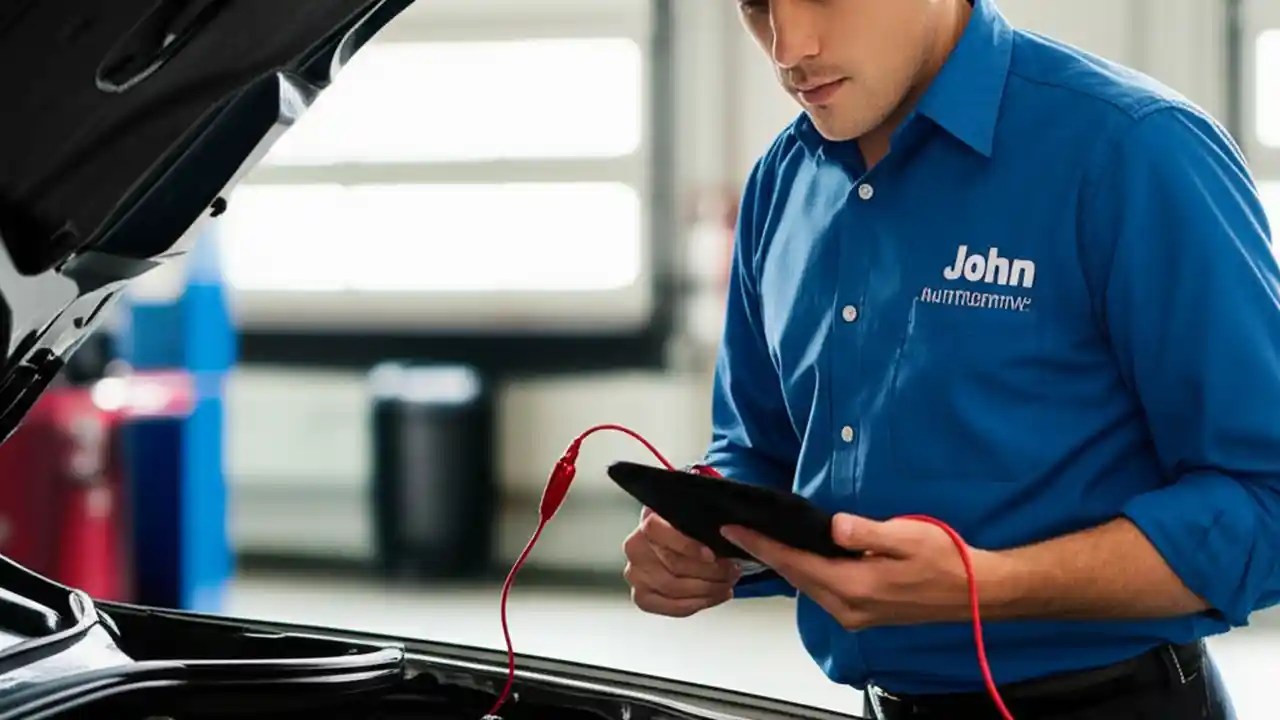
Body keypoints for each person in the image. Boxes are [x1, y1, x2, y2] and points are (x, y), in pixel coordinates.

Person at [621, 0, 1279, 718]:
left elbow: (1267, 500)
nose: (788, 47)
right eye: (755, 4)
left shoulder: (1135, 150)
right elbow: (762, 452)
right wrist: (707, 541)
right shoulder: (783, 182)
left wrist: (989, 585)